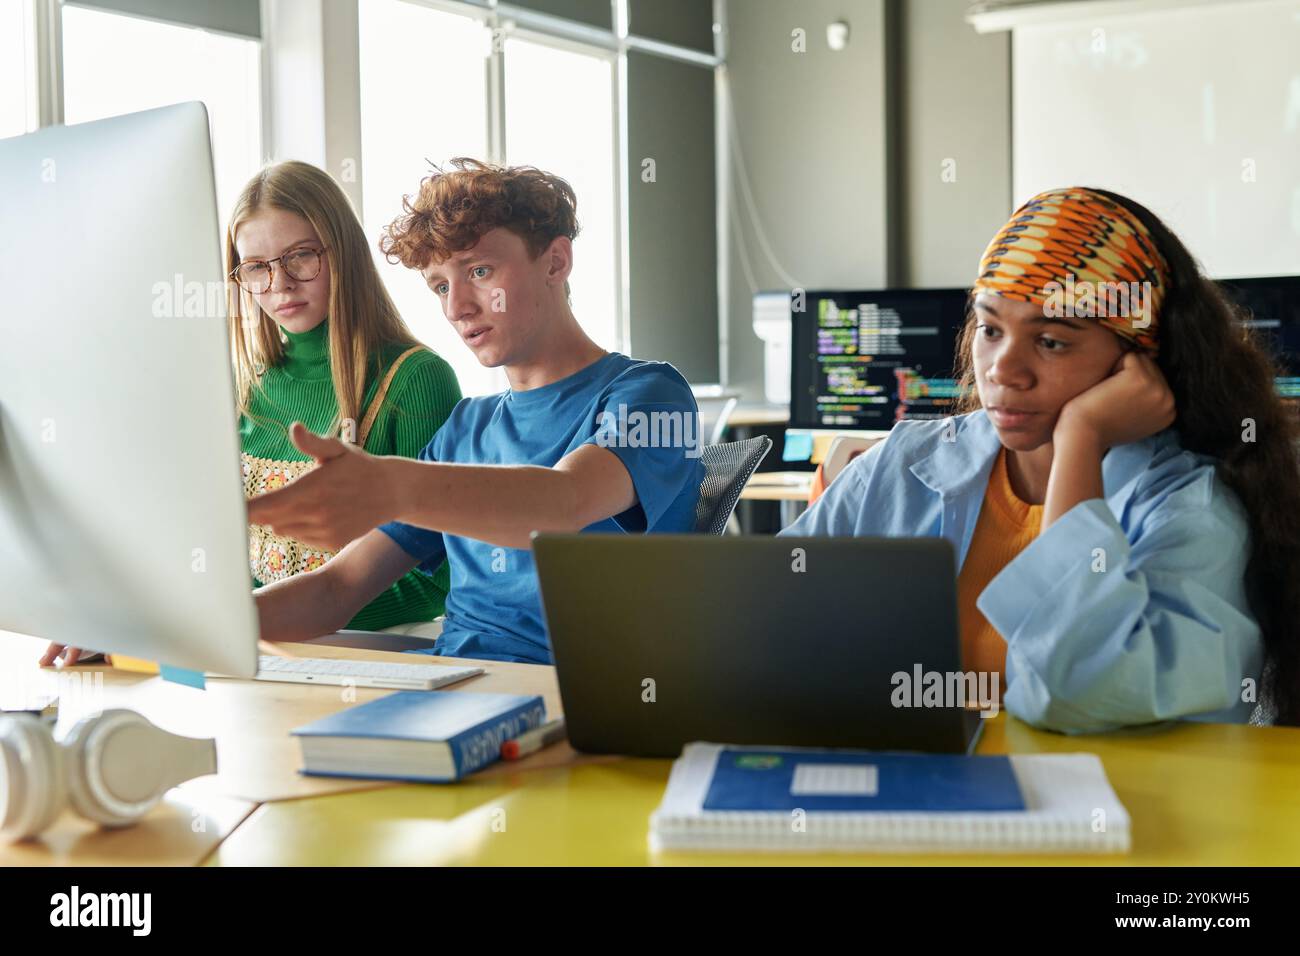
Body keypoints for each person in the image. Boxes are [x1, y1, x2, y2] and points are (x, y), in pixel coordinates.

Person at [784, 186, 1300, 732]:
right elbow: (764, 619)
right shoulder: (901, 463)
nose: (1004, 370)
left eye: (1051, 341)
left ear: (1139, 359)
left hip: (1112, 809)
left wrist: (1081, 436)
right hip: (900, 793)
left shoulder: (1192, 512)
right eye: (990, 329)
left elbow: (1070, 690)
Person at [245, 159, 704, 664]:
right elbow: (338, 588)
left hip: (584, 698)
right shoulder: (465, 427)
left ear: (555, 262)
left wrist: (391, 485)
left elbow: (563, 506)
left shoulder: (653, 395)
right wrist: (209, 624)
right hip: (456, 684)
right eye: (440, 286)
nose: (456, 307)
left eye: (480, 272)